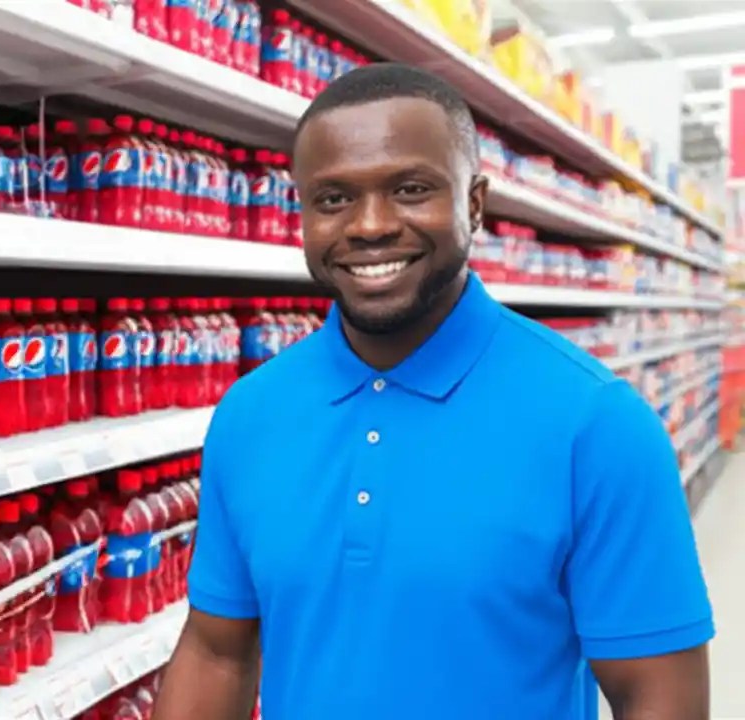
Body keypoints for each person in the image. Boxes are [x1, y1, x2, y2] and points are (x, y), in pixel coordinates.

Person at [153, 63, 712, 720]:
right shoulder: (249, 416)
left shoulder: (596, 425)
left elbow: (656, 695)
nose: (369, 225)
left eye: (411, 189)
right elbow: (218, 651)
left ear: (474, 204)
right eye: (334, 199)